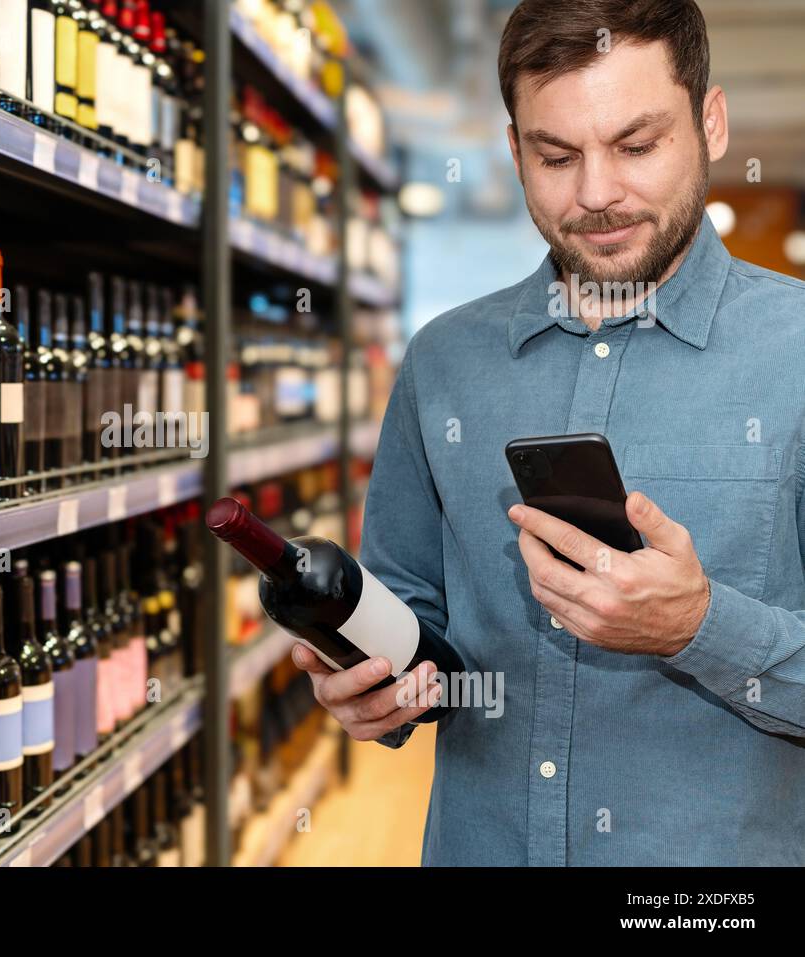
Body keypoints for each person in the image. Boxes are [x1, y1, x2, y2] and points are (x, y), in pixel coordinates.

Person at [295, 0, 805, 865]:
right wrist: (371, 683)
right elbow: (410, 609)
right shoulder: (444, 363)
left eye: (637, 145)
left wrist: (698, 625)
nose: (596, 193)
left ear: (711, 123)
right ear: (513, 150)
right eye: (556, 156)